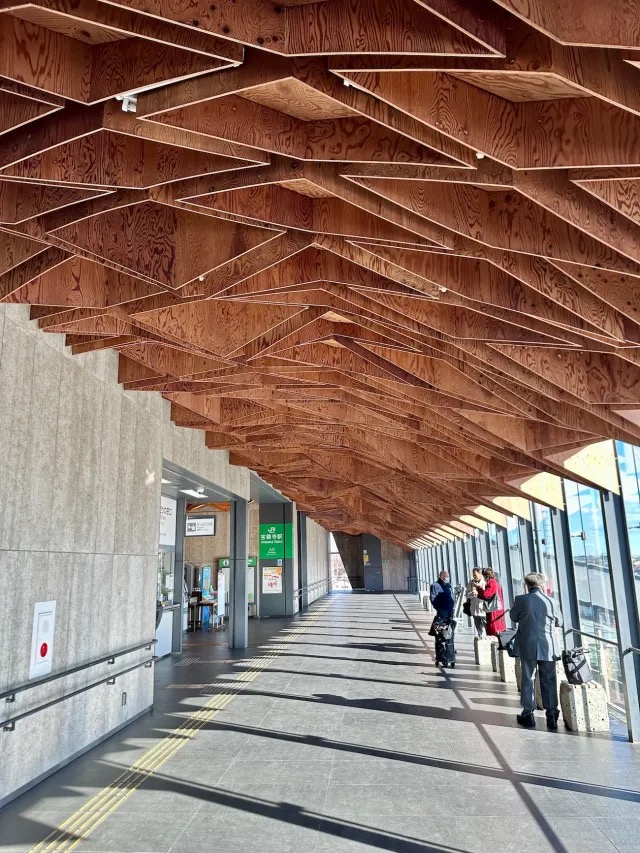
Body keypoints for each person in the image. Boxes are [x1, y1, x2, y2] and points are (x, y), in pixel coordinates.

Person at [510, 572, 563, 729]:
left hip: (528, 645)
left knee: (528, 678)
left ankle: (528, 713)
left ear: (527, 585)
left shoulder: (521, 600)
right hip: (549, 646)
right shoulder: (552, 601)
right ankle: (551, 714)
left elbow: (514, 617)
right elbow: (559, 622)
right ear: (542, 585)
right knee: (549, 679)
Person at [430, 570, 456, 667]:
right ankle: (442, 656)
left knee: (449, 635)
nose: (447, 578)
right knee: (441, 636)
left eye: (448, 576)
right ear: (441, 576)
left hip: (449, 613)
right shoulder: (435, 586)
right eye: (445, 576)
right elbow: (433, 599)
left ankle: (449, 655)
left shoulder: (448, 586)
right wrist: (440, 609)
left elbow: (452, 597)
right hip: (441, 614)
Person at [476, 568, 506, 636]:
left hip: (494, 609)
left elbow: (487, 594)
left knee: (493, 626)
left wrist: (479, 589)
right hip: (495, 609)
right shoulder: (494, 582)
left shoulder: (492, 582)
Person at [465, 567, 486, 637]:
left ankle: (488, 639)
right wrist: (471, 594)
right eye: (473, 575)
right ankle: (481, 638)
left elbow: (486, 594)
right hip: (474, 608)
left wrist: (478, 593)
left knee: (486, 624)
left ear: (480, 574)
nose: (474, 576)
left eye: (475, 575)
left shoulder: (485, 582)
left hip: (483, 608)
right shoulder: (471, 582)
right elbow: (467, 594)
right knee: (478, 625)